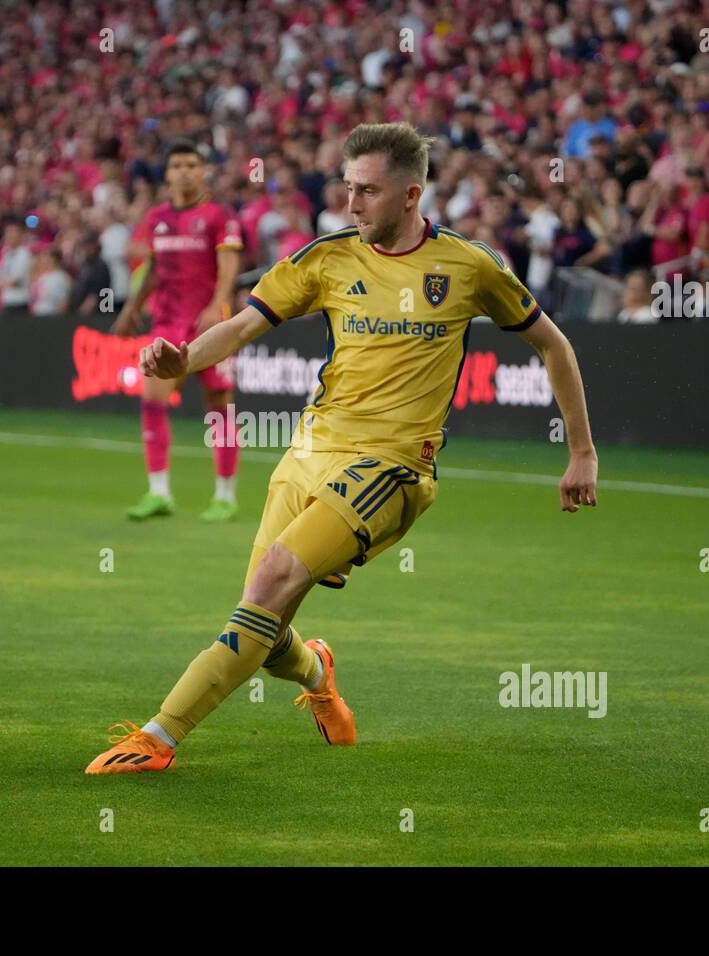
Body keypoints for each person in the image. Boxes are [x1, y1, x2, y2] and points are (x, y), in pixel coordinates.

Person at [86, 123, 598, 775]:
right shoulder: (326, 258)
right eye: (347, 189)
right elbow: (242, 325)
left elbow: (553, 344)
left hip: (392, 467)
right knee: (263, 629)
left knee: (270, 583)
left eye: (368, 192)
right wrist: (182, 358)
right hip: (308, 451)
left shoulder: (468, 268)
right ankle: (318, 674)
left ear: (411, 195)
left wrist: (581, 451)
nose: (351, 205)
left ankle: (158, 737)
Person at [111, 140, 244, 523]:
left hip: (208, 325)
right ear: (167, 174)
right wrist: (132, 307)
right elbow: (152, 270)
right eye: (177, 165)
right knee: (152, 401)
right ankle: (159, 492)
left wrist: (216, 307)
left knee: (218, 407)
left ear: (203, 172)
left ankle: (225, 496)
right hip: (166, 324)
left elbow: (228, 266)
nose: (184, 171)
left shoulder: (220, 216)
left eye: (191, 164)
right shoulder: (157, 218)